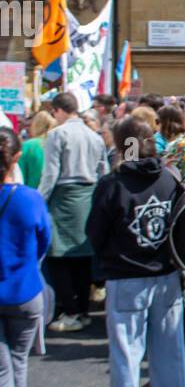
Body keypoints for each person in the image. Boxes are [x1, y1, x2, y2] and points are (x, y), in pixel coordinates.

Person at [84, 117, 185, 387]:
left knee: (126, 354)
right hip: (166, 274)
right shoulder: (170, 178)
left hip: (127, 274)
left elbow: (95, 233)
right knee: (170, 349)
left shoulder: (113, 183)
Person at [0, 129, 51, 387]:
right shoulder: (30, 198)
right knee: (16, 364)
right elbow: (45, 239)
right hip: (25, 290)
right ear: (16, 158)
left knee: (5, 368)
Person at [39, 91, 109, 332]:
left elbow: (50, 173)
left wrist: (40, 200)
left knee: (58, 257)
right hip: (88, 197)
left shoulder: (57, 134)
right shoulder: (95, 136)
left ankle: (70, 311)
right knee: (82, 257)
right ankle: (83, 310)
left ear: (59, 110)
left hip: (63, 197)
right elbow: (104, 172)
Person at [19, 111, 56, 189]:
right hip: (54, 194)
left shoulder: (27, 145)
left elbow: (20, 175)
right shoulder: (56, 143)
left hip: (30, 193)